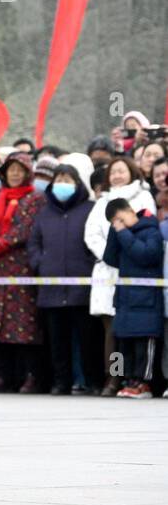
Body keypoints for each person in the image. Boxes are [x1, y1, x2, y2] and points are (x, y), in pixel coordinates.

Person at [83, 156, 155, 396]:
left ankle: (134, 378)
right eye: (113, 172)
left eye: (121, 171)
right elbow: (91, 234)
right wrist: (108, 254)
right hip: (107, 270)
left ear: (132, 172)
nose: (117, 175)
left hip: (135, 271)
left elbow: (144, 230)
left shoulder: (143, 197)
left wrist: (126, 249)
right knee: (111, 330)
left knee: (134, 333)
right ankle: (113, 377)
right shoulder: (102, 201)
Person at [0, 152, 43, 393]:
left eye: (19, 170)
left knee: (23, 325)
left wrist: (4, 242)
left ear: (27, 173)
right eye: (10, 170)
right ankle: (3, 376)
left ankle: (30, 376)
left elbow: (27, 227)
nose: (14, 174)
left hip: (20, 267)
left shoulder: (35, 199)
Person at [27, 164, 96, 395]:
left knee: (88, 340)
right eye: (59, 179)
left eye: (68, 179)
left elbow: (96, 240)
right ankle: (61, 382)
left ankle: (93, 381)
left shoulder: (90, 209)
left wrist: (88, 264)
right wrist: (40, 262)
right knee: (57, 340)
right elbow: (34, 243)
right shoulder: (44, 213)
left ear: (77, 183)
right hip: (51, 287)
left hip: (82, 287)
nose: (62, 184)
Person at [101, 198, 164, 398]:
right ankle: (123, 379)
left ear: (130, 211)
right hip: (125, 300)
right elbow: (110, 258)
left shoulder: (151, 230)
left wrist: (123, 233)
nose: (118, 225)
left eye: (120, 219)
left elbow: (147, 255)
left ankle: (143, 383)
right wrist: (115, 231)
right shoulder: (121, 234)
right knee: (122, 344)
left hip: (146, 301)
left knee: (143, 346)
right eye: (114, 222)